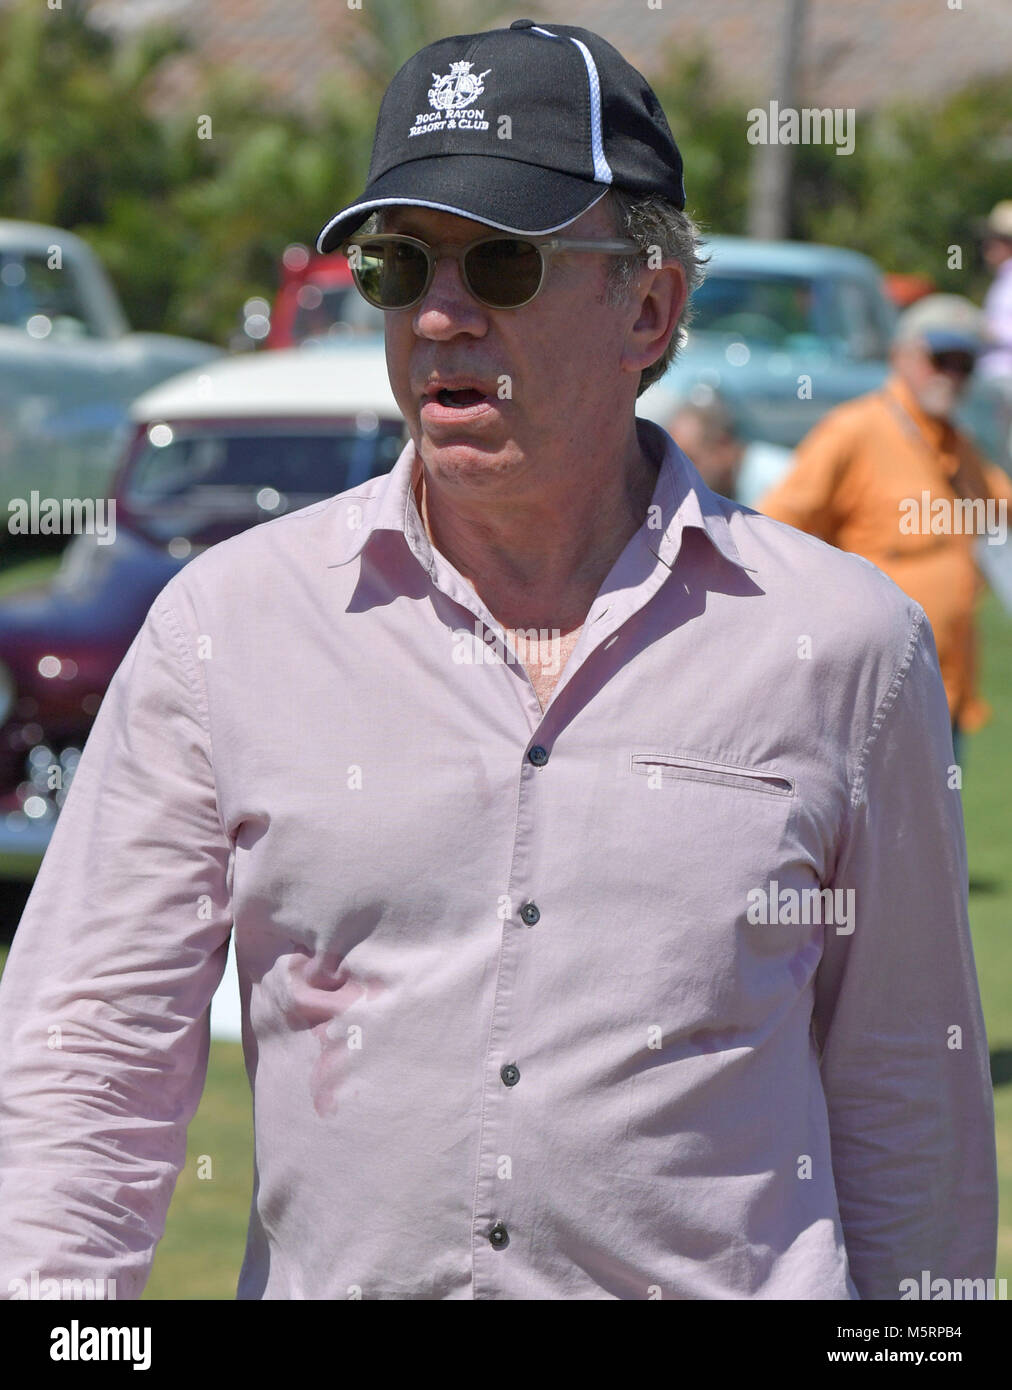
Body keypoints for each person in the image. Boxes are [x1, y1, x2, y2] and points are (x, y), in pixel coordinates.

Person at [0, 19, 997, 1301]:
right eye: (399, 264)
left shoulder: (847, 648)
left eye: (504, 264)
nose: (441, 313)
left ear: (649, 306)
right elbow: (90, 1050)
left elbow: (906, 1087)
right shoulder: (225, 630)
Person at [757, 294, 1012, 768]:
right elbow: (772, 533)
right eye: (942, 358)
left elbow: (1002, 510)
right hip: (870, 692)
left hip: (945, 693)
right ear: (902, 356)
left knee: (935, 841)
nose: (952, 375)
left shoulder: (960, 445)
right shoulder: (853, 431)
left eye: (966, 363)